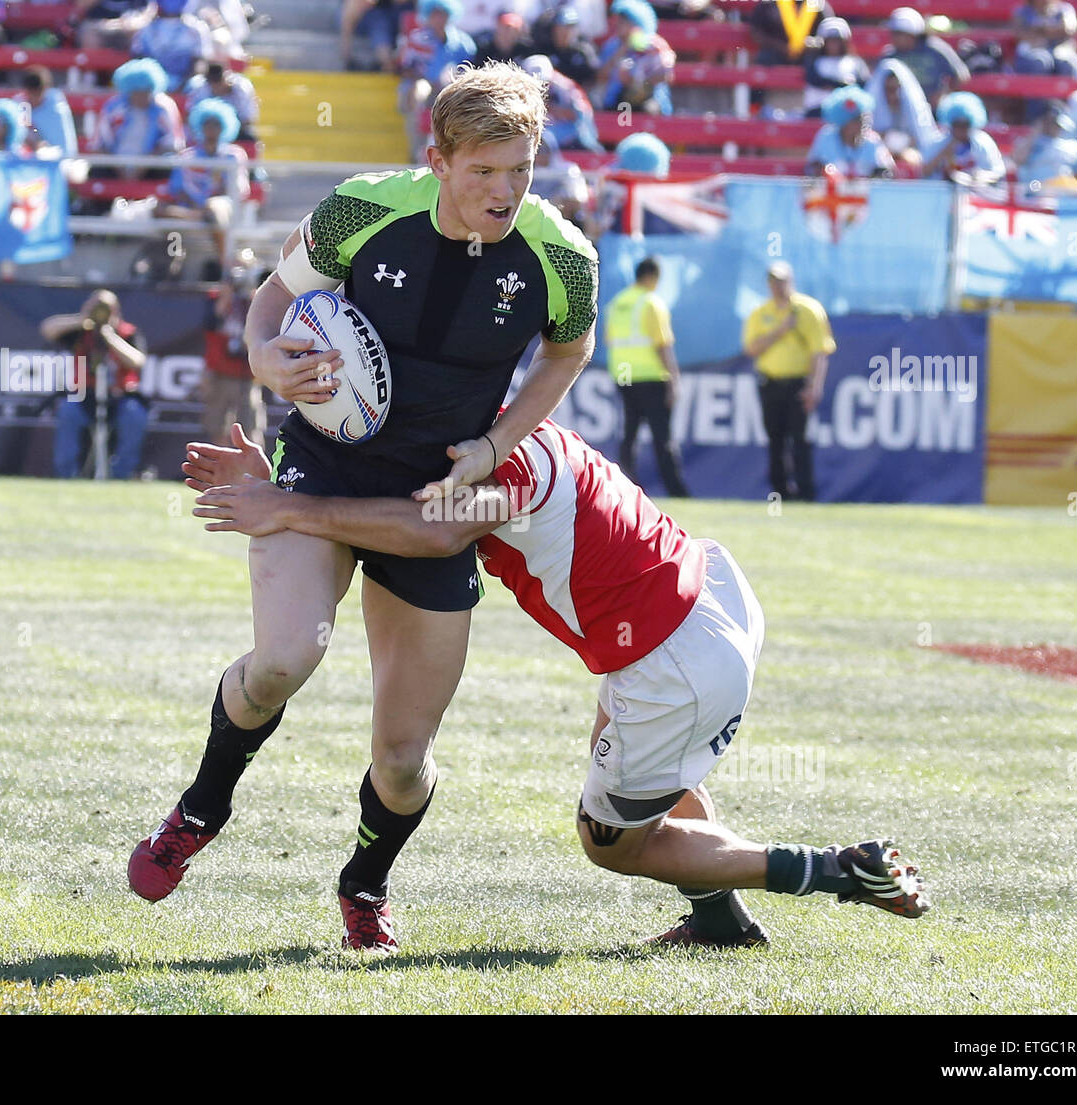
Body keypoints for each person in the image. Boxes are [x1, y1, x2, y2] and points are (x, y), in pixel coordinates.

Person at [126, 62, 599, 954]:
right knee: (284, 659)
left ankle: (364, 885)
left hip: (434, 501)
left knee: (404, 756)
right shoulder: (361, 208)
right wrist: (266, 361)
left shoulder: (561, 254)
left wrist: (496, 447)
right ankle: (200, 808)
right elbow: (273, 299)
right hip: (321, 464)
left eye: (521, 171)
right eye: (484, 172)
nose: (504, 192)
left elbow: (566, 353)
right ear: (439, 158)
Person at [185, 419, 931, 946]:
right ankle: (718, 918)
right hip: (703, 596)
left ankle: (837, 872)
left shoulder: (493, 474)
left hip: (671, 660)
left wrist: (281, 502)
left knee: (611, 840)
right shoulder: (515, 431)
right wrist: (282, 473)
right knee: (638, 764)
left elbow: (430, 529)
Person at [742, 260, 834, 503]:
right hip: (770, 383)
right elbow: (752, 348)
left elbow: (819, 351)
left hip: (797, 384)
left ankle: (805, 493)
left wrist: (814, 386)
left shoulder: (808, 310)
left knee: (800, 439)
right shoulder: (761, 313)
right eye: (773, 281)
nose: (777, 286)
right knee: (775, 439)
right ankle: (780, 494)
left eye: (781, 281)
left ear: (790, 281)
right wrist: (780, 331)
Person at [42, 290, 150, 480]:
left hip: (119, 398)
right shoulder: (81, 333)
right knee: (68, 412)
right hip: (85, 396)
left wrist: (110, 336)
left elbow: (138, 361)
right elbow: (48, 328)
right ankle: (66, 476)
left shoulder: (127, 333)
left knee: (135, 415)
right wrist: (84, 319)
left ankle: (121, 476)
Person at [605, 256, 688, 497]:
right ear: (653, 277)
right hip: (652, 377)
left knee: (629, 434)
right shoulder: (651, 303)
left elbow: (611, 340)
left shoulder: (618, 302)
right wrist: (674, 380)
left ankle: (626, 486)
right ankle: (676, 490)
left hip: (624, 377)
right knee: (662, 437)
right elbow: (663, 345)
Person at [160, 98, 251, 278]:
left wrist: (211, 200)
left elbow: (238, 190)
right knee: (157, 208)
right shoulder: (187, 156)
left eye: (216, 124)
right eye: (207, 124)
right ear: (200, 126)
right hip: (191, 209)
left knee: (214, 208)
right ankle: (199, 218)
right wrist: (196, 206)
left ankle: (225, 264)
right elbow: (177, 189)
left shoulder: (234, 155)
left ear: (224, 126)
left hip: (224, 206)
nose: (211, 128)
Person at [397, 0, 476, 160]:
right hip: (422, 88)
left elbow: (470, 72)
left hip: (451, 90)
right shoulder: (417, 39)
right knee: (419, 89)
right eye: (435, 14)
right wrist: (429, 79)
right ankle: (417, 151)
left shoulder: (463, 42)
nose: (439, 19)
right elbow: (405, 69)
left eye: (443, 14)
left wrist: (451, 78)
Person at [201, 265, 264, 447]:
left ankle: (252, 472)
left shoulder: (258, 301)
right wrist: (226, 295)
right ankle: (222, 472)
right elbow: (210, 324)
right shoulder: (216, 299)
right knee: (217, 427)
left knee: (250, 428)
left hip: (247, 376)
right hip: (220, 373)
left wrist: (255, 298)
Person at [96, 58, 185, 170]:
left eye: (146, 92)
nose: (142, 97)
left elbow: (174, 144)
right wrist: (117, 166)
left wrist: (147, 162)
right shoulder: (114, 108)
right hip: (115, 164)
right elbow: (100, 144)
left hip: (153, 165)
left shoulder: (164, 107)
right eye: (137, 92)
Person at [598, 1, 676, 115]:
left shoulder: (654, 44)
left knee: (649, 109)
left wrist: (642, 83)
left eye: (624, 21)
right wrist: (624, 49)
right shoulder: (611, 46)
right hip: (618, 99)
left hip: (650, 98)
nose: (618, 25)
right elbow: (601, 76)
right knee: (622, 111)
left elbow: (668, 75)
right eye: (618, 20)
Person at [804, 86, 896, 179]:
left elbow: (887, 172)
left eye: (865, 119)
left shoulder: (873, 141)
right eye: (856, 120)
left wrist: (876, 175)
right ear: (843, 122)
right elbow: (813, 169)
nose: (863, 123)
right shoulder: (826, 137)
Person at [881, 7, 968, 104]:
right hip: (902, 110)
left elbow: (961, 75)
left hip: (934, 110)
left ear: (911, 34)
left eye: (898, 33)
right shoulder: (890, 55)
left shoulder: (935, 49)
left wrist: (944, 95)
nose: (893, 37)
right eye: (892, 33)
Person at [867, 57, 938, 172]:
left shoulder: (913, 109)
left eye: (896, 89)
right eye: (888, 89)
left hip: (910, 160)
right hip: (877, 163)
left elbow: (922, 139)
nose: (893, 95)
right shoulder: (870, 109)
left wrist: (900, 146)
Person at [521, 53, 602, 152]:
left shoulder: (565, 87)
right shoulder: (519, 88)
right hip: (542, 133)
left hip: (573, 133)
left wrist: (549, 109)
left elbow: (578, 116)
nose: (542, 86)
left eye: (544, 82)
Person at [921, 91, 1004, 185]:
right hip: (942, 194)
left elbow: (998, 173)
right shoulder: (939, 141)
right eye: (956, 124)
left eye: (965, 125)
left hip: (977, 194)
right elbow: (924, 171)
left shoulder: (983, 141)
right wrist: (945, 151)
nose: (960, 129)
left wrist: (979, 178)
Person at [130, 0, 213, 90]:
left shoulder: (195, 28)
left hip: (186, 84)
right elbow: (139, 59)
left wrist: (183, 83)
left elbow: (200, 63)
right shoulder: (148, 28)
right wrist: (154, 80)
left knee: (198, 84)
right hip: (151, 84)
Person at [1015, 100, 1077, 189]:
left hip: (1065, 196)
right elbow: (1018, 160)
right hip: (1035, 193)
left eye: (1056, 124)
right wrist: (1035, 132)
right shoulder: (1030, 143)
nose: (1055, 127)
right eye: (1051, 122)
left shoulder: (1074, 147)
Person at [802, 19, 870, 118]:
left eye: (837, 40)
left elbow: (864, 84)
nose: (833, 44)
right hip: (818, 111)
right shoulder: (816, 62)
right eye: (830, 40)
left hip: (847, 112)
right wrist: (842, 84)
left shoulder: (855, 62)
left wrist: (836, 86)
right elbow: (814, 80)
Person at [184, 61, 258, 143]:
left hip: (238, 129)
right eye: (212, 82)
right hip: (205, 131)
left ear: (225, 79)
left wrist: (229, 131)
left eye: (218, 81)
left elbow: (247, 119)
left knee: (249, 136)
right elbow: (190, 116)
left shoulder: (242, 89)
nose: (216, 86)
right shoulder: (199, 89)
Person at [18, 67, 78, 159]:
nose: (35, 98)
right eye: (32, 93)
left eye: (38, 93)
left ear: (45, 90)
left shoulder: (56, 108)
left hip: (53, 164)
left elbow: (66, 150)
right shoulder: (17, 107)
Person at [340, 0, 412, 72]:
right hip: (369, 16)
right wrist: (346, 55)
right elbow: (350, 13)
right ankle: (387, 61)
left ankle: (389, 61)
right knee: (378, 20)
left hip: (394, 13)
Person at [539, 5, 599, 88]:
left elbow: (593, 77)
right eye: (563, 27)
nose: (567, 32)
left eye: (571, 27)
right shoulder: (543, 50)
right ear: (554, 29)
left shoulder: (583, 51)